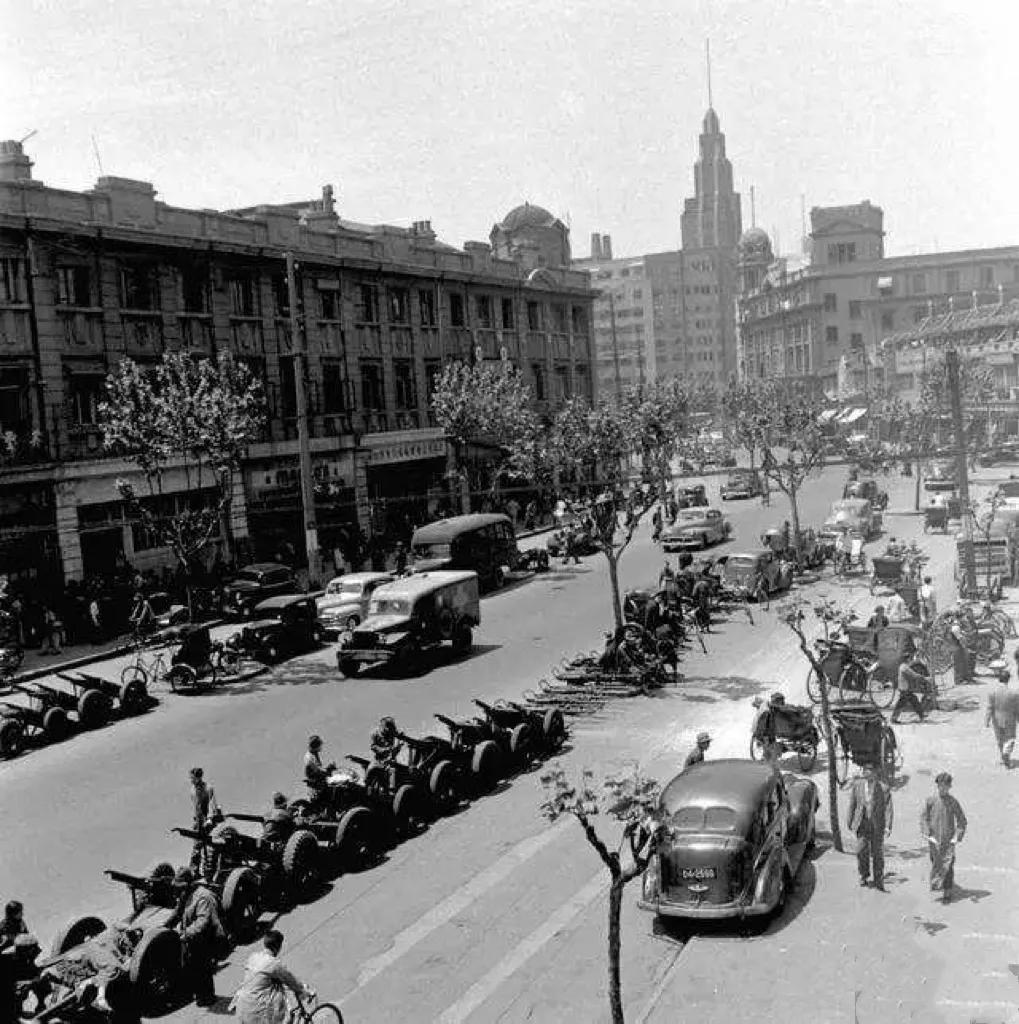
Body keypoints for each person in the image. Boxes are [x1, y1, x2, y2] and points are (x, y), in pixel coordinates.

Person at [166, 866, 226, 1007]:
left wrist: (184, 934)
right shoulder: (186, 894)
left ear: (189, 884)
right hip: (194, 938)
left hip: (207, 937)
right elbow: (177, 913)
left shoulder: (203, 897)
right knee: (193, 966)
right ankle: (200, 995)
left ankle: (208, 998)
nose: (178, 890)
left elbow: (202, 922)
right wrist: (165, 926)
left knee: (202, 967)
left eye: (180, 887)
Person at [230, 929, 315, 1024]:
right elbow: (291, 981)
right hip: (256, 1014)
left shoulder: (253, 957)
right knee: (285, 1015)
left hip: (242, 1009)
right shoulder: (274, 964)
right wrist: (305, 990)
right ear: (278, 947)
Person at [920, 772, 968, 904]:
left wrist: (957, 837)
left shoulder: (953, 802)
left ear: (950, 787)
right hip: (934, 841)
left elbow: (962, 820)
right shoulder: (930, 800)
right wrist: (927, 833)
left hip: (948, 841)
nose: (943, 789)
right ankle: (938, 884)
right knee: (936, 862)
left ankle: (947, 892)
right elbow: (924, 818)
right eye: (941, 786)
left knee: (949, 865)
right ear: (937, 786)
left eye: (946, 786)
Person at [846, 763, 893, 890]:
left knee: (877, 853)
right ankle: (864, 874)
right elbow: (852, 804)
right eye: (865, 771)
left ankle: (878, 878)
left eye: (869, 771)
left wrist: (888, 826)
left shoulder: (883, 788)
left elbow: (888, 809)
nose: (866, 773)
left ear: (875, 774)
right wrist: (849, 820)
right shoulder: (857, 786)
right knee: (860, 850)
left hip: (877, 826)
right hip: (862, 824)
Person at [985, 667, 1019, 768]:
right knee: (1010, 738)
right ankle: (1006, 753)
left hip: (996, 719)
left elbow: (989, 707)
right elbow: (1017, 709)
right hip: (1010, 719)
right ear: (1008, 679)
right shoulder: (1014, 694)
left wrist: (987, 720)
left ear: (999, 679)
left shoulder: (992, 692)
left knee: (1000, 739)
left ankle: (1003, 757)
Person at [303, 736, 335, 811]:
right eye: (320, 745)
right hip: (317, 784)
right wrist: (329, 769)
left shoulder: (313, 754)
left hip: (318, 781)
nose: (321, 747)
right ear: (316, 746)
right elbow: (318, 770)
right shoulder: (310, 757)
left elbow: (319, 769)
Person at [891, 659, 929, 724]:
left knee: (913, 701)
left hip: (904, 688)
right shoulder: (904, 667)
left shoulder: (903, 666)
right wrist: (925, 678)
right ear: (908, 659)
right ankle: (893, 719)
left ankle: (921, 716)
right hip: (905, 689)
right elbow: (914, 675)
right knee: (902, 703)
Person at [948, 615, 975, 685]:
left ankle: (964, 678)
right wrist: (965, 646)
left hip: (958, 647)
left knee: (962, 663)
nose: (965, 619)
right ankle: (958, 680)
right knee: (958, 664)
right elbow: (960, 638)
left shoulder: (957, 625)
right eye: (963, 618)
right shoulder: (956, 627)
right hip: (956, 647)